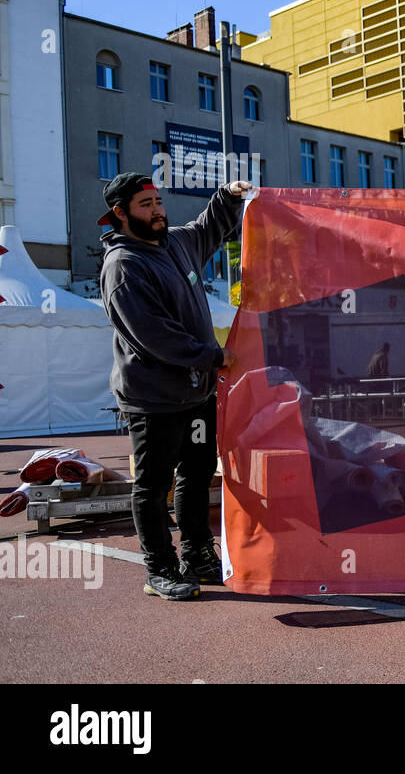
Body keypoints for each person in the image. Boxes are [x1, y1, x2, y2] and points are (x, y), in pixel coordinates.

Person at [99, 173, 251, 600]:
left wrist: (227, 196)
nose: (158, 210)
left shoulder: (176, 243)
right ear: (121, 214)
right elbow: (153, 335)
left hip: (197, 394)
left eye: (158, 201)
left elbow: (208, 227)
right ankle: (160, 569)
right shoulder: (124, 265)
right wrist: (214, 356)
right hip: (154, 400)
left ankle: (198, 556)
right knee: (152, 484)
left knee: (198, 474)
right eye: (146, 205)